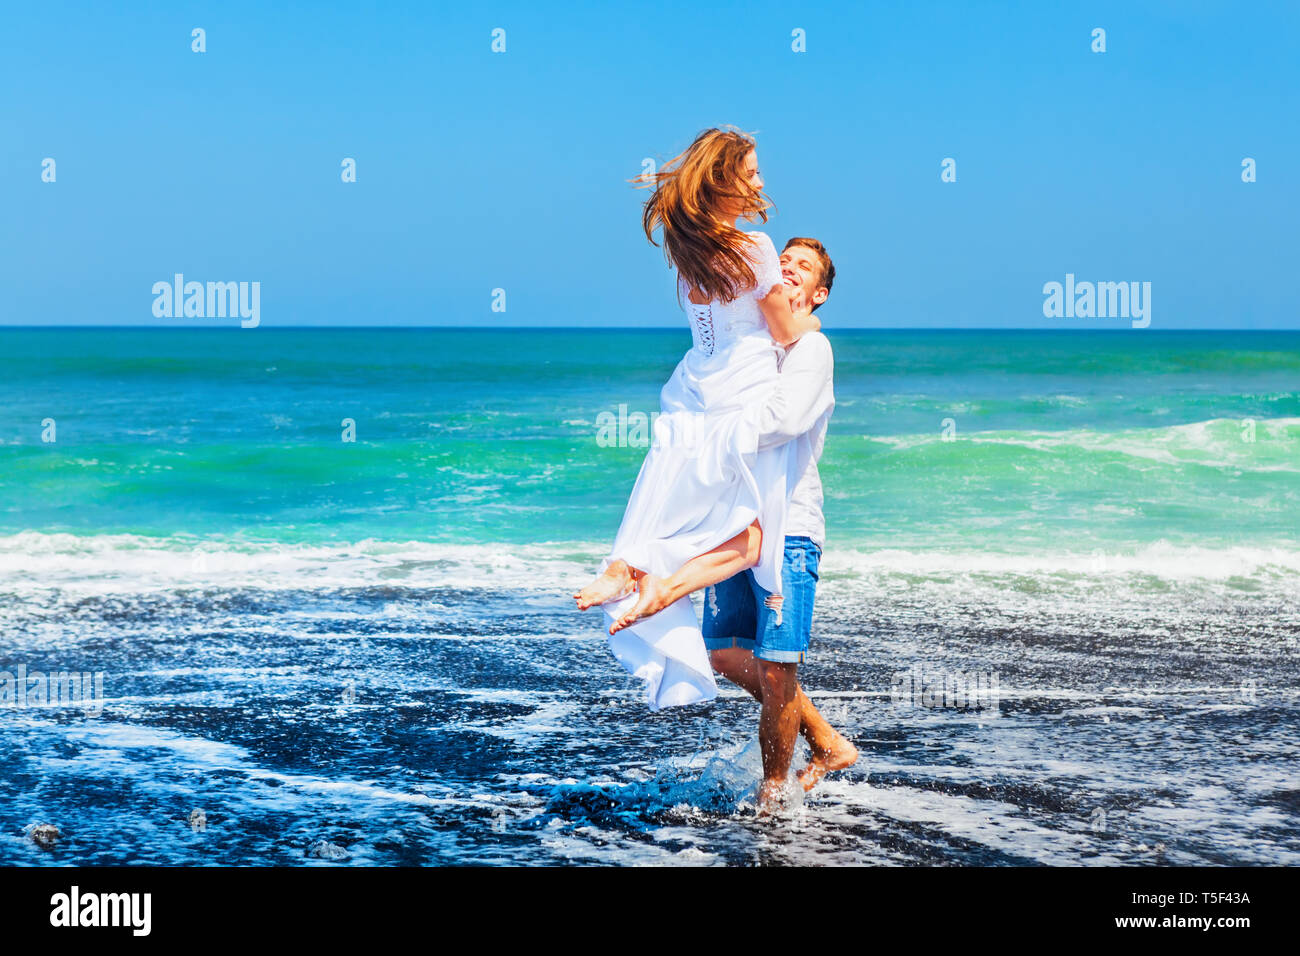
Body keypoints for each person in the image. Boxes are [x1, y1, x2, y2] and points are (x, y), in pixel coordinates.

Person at [610, 237, 859, 809]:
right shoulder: (752, 346)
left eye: (801, 270)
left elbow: (782, 420)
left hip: (788, 525)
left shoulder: (811, 352)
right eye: (783, 264)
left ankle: (775, 793)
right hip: (737, 522)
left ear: (818, 295)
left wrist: (707, 434)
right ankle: (826, 740)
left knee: (776, 667)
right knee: (724, 653)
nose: (787, 271)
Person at [574, 128, 817, 711]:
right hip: (743, 389)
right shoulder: (754, 248)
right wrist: (819, 330)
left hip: (698, 384)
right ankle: (662, 585)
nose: (761, 182)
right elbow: (786, 332)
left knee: (669, 495)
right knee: (756, 533)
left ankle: (622, 567)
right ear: (726, 180)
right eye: (752, 172)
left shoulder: (689, 257)